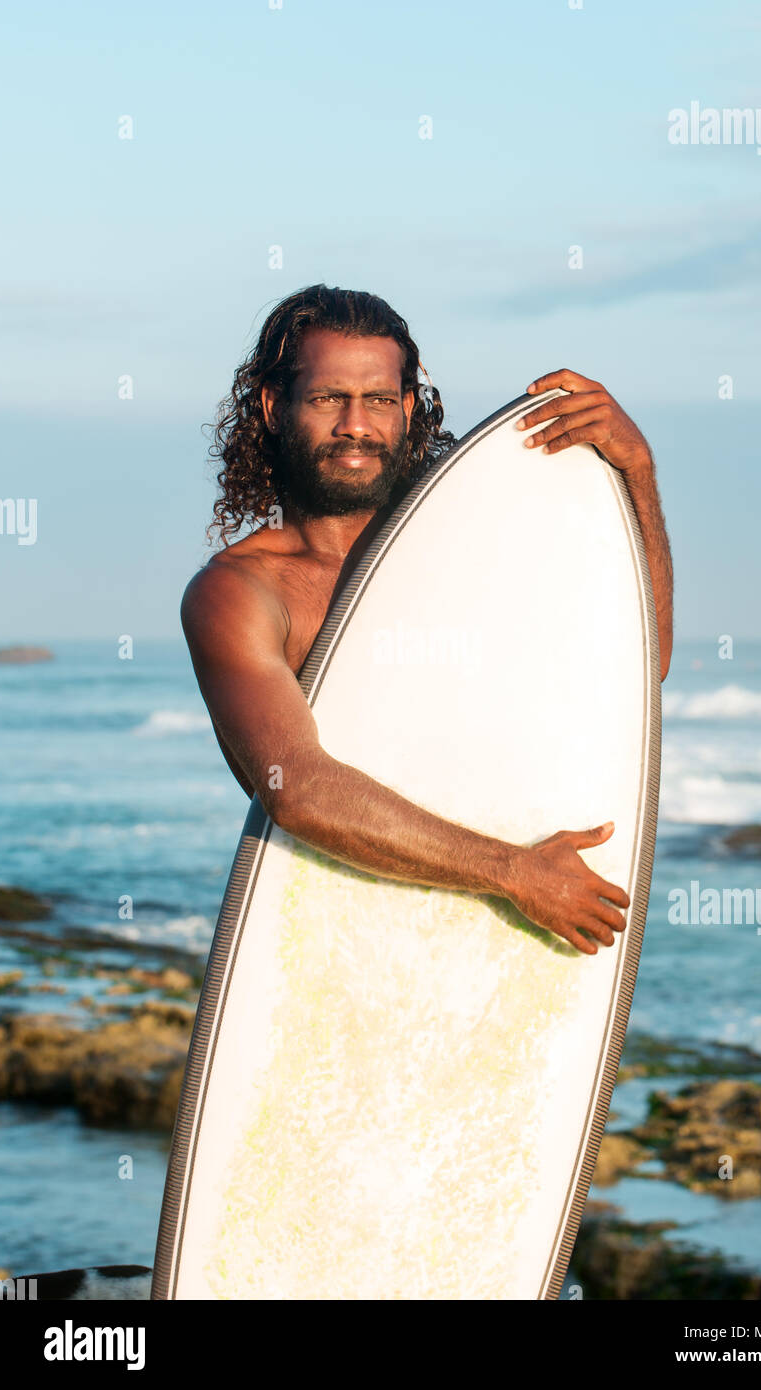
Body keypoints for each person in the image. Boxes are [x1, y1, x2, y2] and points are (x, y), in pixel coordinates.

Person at [181, 284, 673, 956]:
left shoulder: (467, 555)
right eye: (329, 399)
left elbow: (639, 671)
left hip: (500, 948)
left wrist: (637, 470)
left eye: (380, 400)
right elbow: (297, 787)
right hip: (335, 956)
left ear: (407, 409)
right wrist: (516, 873)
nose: (357, 425)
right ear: (274, 406)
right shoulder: (238, 594)